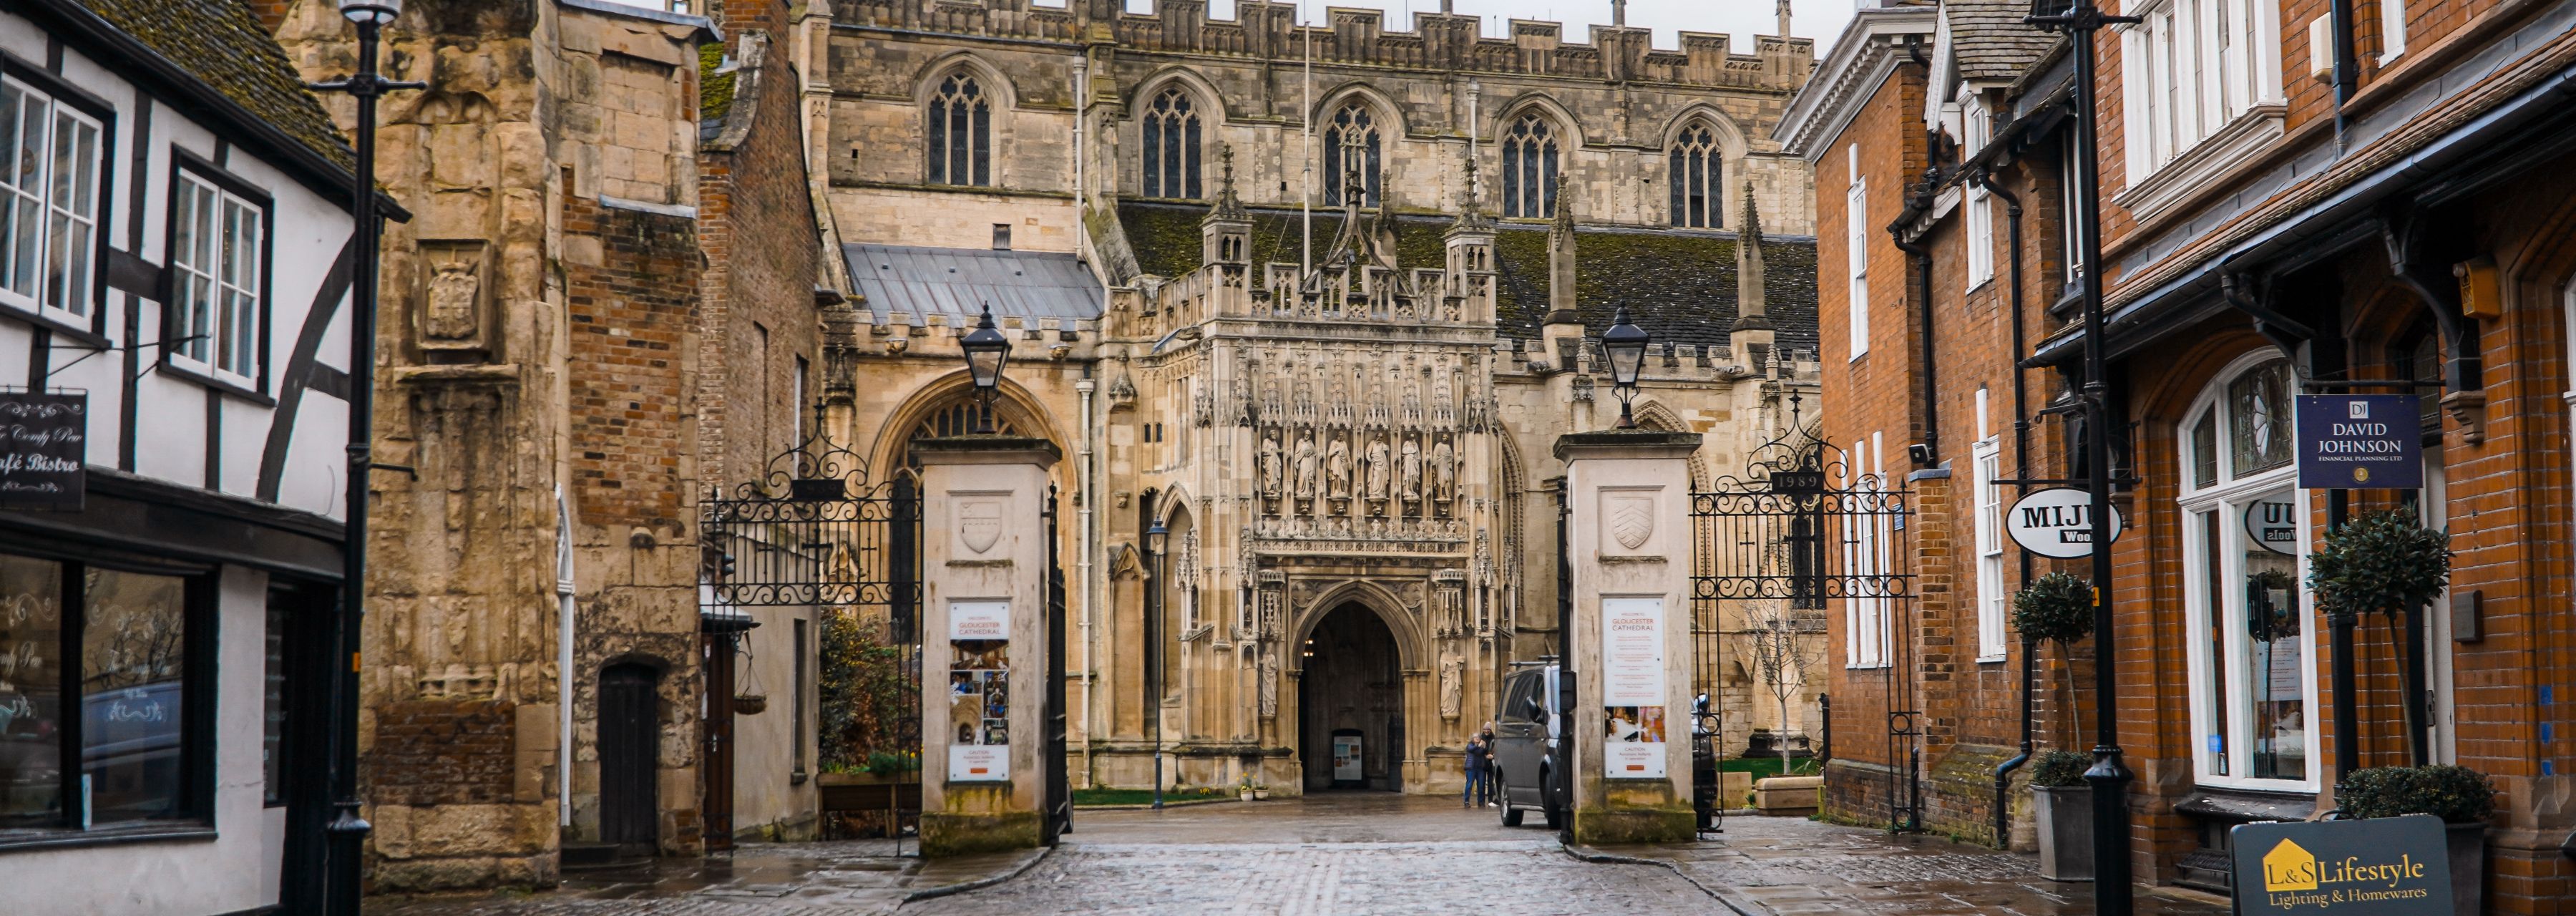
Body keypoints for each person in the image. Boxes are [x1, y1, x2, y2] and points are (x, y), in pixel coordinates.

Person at [1463, 734, 1489, 808]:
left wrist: (1484, 746)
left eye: (1479, 737)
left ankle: (1481, 802)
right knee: (1469, 785)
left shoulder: (1480, 746)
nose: (1477, 738)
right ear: (1472, 739)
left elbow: (1485, 752)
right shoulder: (1470, 745)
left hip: (1480, 769)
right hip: (1471, 768)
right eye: (1476, 737)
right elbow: (1472, 750)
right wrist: (1479, 746)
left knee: (1481, 786)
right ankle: (1466, 801)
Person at [1478, 721, 1500, 805]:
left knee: (1491, 783)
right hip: (1482, 763)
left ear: (1491, 730)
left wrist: (1493, 756)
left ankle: (1490, 800)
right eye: (1485, 729)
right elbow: (1477, 752)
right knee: (1481, 783)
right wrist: (1485, 756)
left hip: (1491, 764)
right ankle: (1481, 802)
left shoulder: (1494, 739)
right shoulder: (1480, 738)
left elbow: (1497, 750)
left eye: (1488, 729)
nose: (1487, 731)